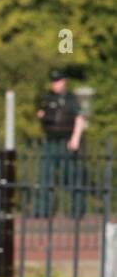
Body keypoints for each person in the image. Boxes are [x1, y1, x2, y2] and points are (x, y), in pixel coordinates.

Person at [35, 68, 88, 219]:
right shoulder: (47, 97)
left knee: (71, 176)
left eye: (57, 81)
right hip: (50, 141)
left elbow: (80, 118)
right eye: (53, 81)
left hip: (66, 141)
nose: (55, 84)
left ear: (65, 82)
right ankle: (43, 210)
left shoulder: (71, 99)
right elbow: (41, 113)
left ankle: (76, 211)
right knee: (46, 176)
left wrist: (75, 139)